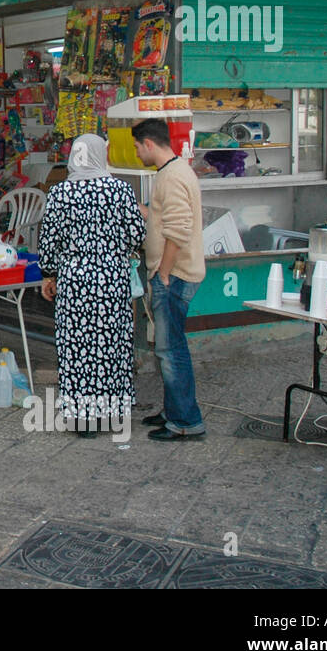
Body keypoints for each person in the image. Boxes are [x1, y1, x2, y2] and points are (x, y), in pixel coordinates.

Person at [39, 134, 147, 437]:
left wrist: (50, 275)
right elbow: (138, 235)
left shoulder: (60, 194)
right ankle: (114, 414)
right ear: (102, 154)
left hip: (75, 283)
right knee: (112, 345)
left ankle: (81, 418)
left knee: (77, 347)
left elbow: (48, 243)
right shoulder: (120, 190)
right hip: (112, 279)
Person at [132, 118, 207, 441]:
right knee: (168, 348)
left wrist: (162, 273)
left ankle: (186, 422)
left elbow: (178, 229)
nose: (136, 153)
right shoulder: (172, 173)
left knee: (170, 350)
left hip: (174, 275)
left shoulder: (172, 177)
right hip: (171, 273)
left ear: (149, 143)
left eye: (137, 147)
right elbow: (164, 218)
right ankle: (173, 411)